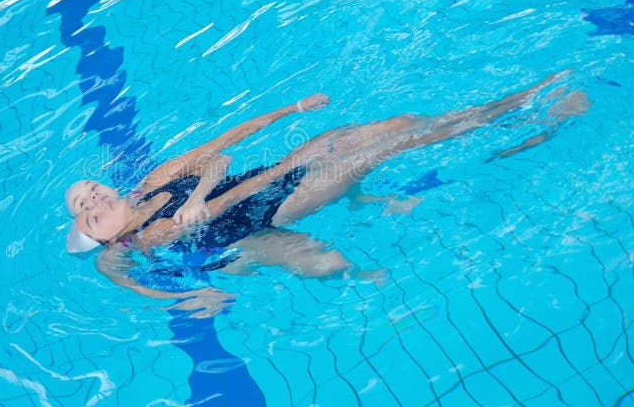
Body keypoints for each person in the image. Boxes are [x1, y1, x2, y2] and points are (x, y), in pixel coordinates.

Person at [65, 71, 583, 315]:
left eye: (89, 192)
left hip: (263, 188)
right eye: (86, 215)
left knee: (386, 125)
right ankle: (531, 115)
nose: (92, 202)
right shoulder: (142, 240)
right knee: (398, 140)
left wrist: (291, 111)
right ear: (99, 238)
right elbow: (130, 282)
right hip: (275, 197)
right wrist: (185, 297)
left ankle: (509, 122)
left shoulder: (151, 183)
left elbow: (221, 146)